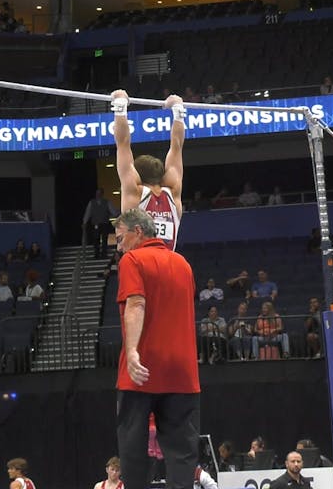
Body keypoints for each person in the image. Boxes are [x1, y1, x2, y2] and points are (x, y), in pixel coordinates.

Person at [114, 208, 200, 489]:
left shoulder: (133, 259)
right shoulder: (184, 264)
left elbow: (136, 304)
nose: (119, 245)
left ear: (137, 232)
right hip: (182, 373)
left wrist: (133, 351)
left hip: (143, 369)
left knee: (132, 448)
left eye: (120, 238)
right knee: (182, 452)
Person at [112, 89, 186, 251]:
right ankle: (179, 112)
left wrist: (120, 105)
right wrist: (178, 110)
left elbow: (123, 144)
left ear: (138, 174)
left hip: (143, 264)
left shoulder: (135, 192)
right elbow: (177, 146)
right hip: (169, 263)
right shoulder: (173, 192)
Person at [84, 188, 116, 257]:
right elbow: (88, 213)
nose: (98, 195)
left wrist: (109, 216)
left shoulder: (107, 202)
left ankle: (104, 253)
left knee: (104, 239)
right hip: (95, 223)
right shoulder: (92, 202)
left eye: (99, 193)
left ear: (102, 194)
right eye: (97, 193)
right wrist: (84, 222)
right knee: (96, 239)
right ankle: (97, 253)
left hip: (104, 223)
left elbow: (113, 212)